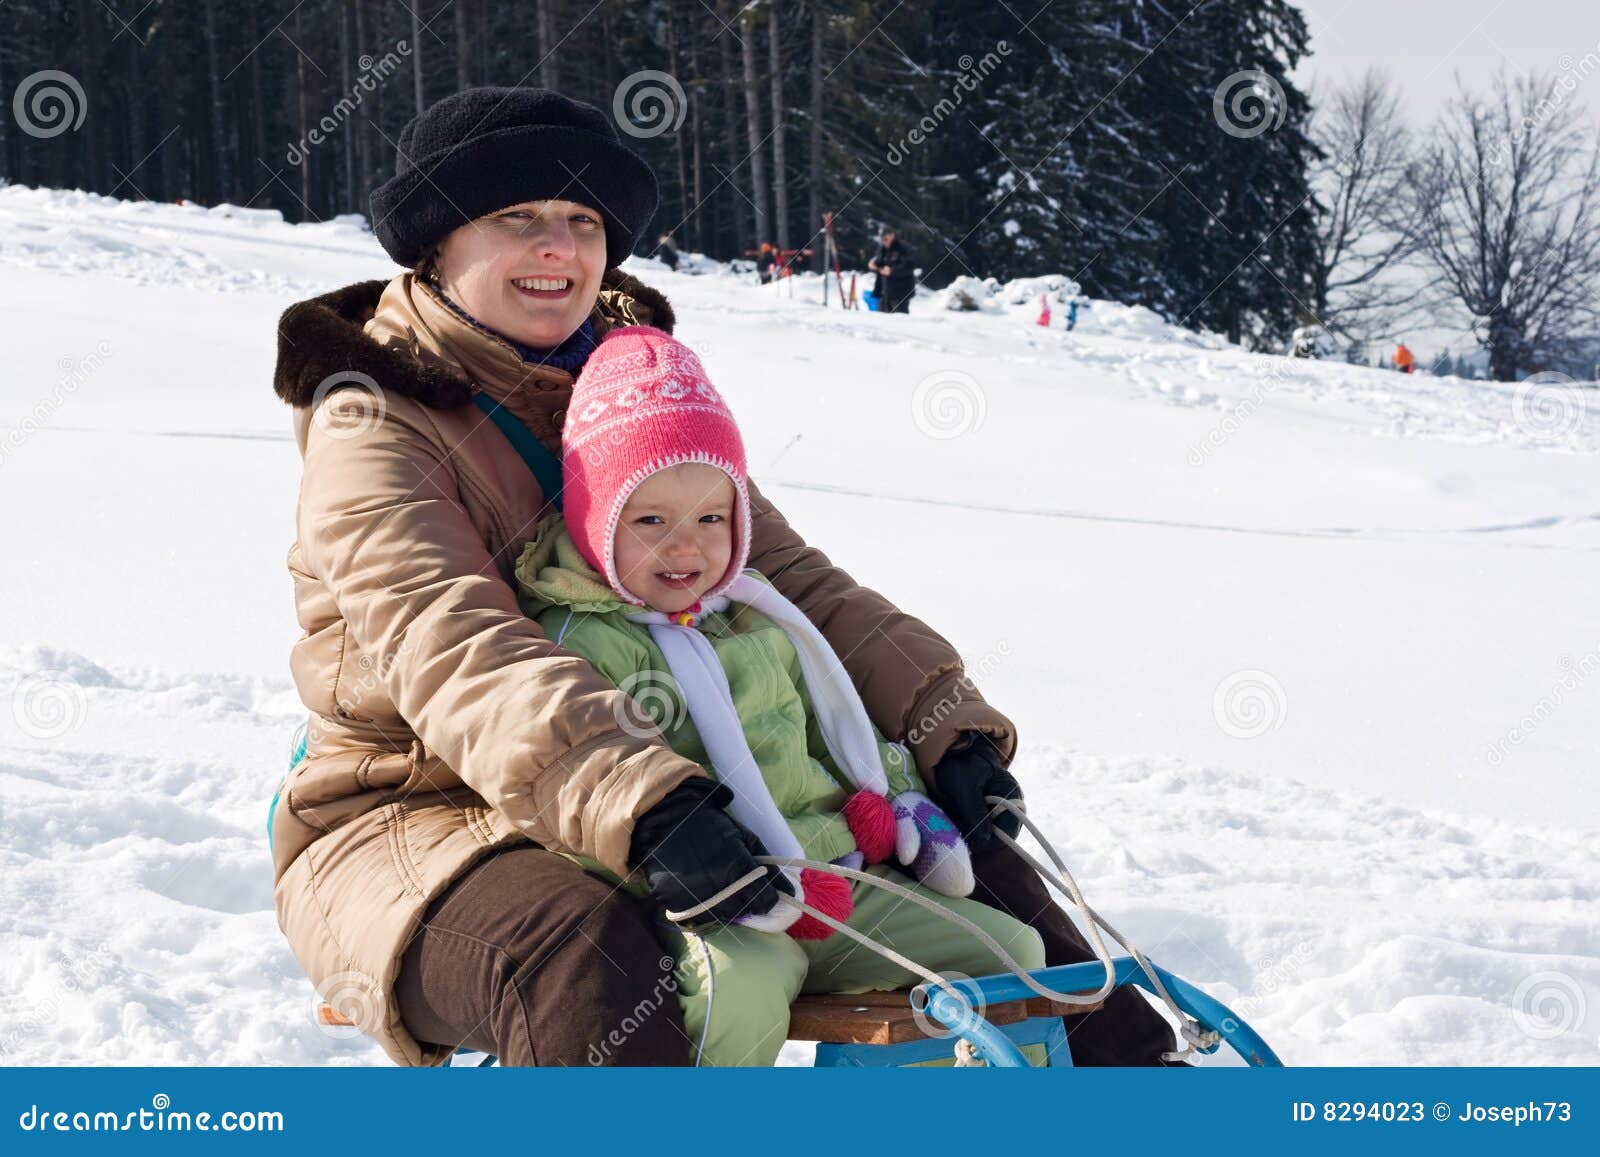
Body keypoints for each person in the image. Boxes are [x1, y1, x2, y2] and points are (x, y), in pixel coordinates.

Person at [268, 85, 1181, 1069]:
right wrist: (648, 802)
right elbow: (455, 649)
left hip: (673, 777)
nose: (559, 250)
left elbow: (786, 579)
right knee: (582, 951)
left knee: (975, 875)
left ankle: (1138, 1096)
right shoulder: (375, 420)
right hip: (424, 818)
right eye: (516, 218)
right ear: (438, 242)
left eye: (583, 222)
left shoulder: (627, 383)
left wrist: (941, 721)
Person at [514, 326, 1046, 1065]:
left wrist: (899, 798)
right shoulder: (586, 638)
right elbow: (586, 776)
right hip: (721, 905)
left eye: (710, 517)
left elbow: (836, 726)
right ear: (594, 521)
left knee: (1008, 951)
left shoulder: (761, 609)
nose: (686, 547)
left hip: (836, 880)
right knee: (738, 993)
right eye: (649, 520)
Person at [867, 227, 916, 314]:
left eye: (885, 238)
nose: (883, 241)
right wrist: (873, 265)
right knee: (881, 320)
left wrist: (892, 271)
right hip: (884, 292)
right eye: (881, 239)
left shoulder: (904, 248)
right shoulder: (882, 248)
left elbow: (909, 267)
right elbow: (879, 262)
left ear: (892, 236)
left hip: (900, 293)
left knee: (899, 321)